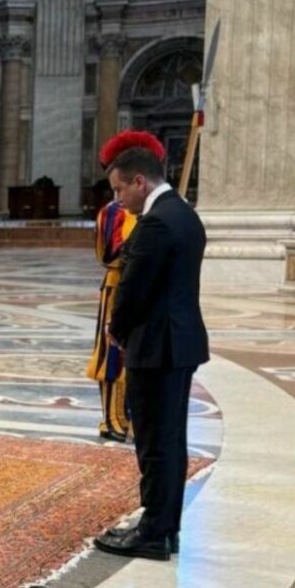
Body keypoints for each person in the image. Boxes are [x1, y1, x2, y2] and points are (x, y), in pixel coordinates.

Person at [92, 130, 209, 562]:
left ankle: (154, 532)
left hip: (158, 345)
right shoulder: (183, 212)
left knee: (155, 443)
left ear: (140, 181)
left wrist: (116, 329)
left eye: (120, 189)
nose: (118, 199)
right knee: (170, 440)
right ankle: (164, 525)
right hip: (178, 342)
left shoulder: (157, 222)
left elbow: (134, 288)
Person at [85, 136, 139, 442]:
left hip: (143, 288)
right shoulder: (113, 212)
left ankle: (132, 415)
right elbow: (107, 254)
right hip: (117, 287)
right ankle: (111, 418)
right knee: (112, 354)